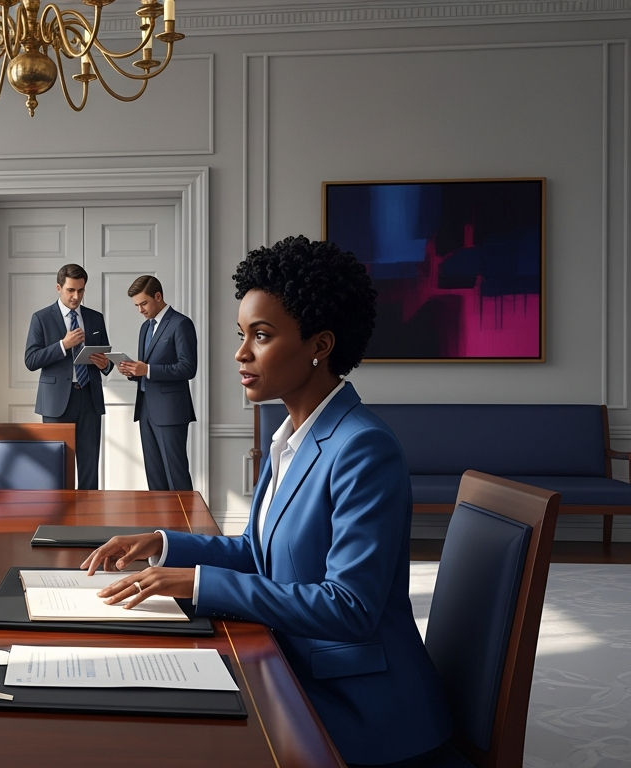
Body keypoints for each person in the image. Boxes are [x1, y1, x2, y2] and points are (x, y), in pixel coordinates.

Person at [81, 237, 453, 767]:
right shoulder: (290, 435)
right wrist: (163, 547)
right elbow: (260, 554)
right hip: (293, 668)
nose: (240, 353)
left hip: (358, 709)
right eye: (241, 334)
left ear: (319, 344)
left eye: (262, 335)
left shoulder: (363, 447)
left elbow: (350, 608)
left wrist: (199, 582)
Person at [24, 263, 113, 490]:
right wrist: (63, 345)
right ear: (58, 287)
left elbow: (104, 357)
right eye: (70, 290)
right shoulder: (41, 318)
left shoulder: (95, 318)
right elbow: (31, 360)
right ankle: (58, 520)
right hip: (56, 403)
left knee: (89, 467)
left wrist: (105, 364)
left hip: (89, 399)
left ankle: (89, 520)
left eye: (81, 291)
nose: (76, 296)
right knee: (56, 467)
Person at [116, 275, 196, 491]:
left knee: (176, 475)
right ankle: (161, 524)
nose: (140, 309)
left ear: (158, 296)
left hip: (170, 412)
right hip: (146, 411)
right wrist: (133, 371)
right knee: (155, 477)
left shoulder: (181, 324)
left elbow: (188, 368)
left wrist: (148, 370)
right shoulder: (145, 328)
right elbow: (146, 367)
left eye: (143, 303)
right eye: (136, 305)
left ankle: (184, 525)